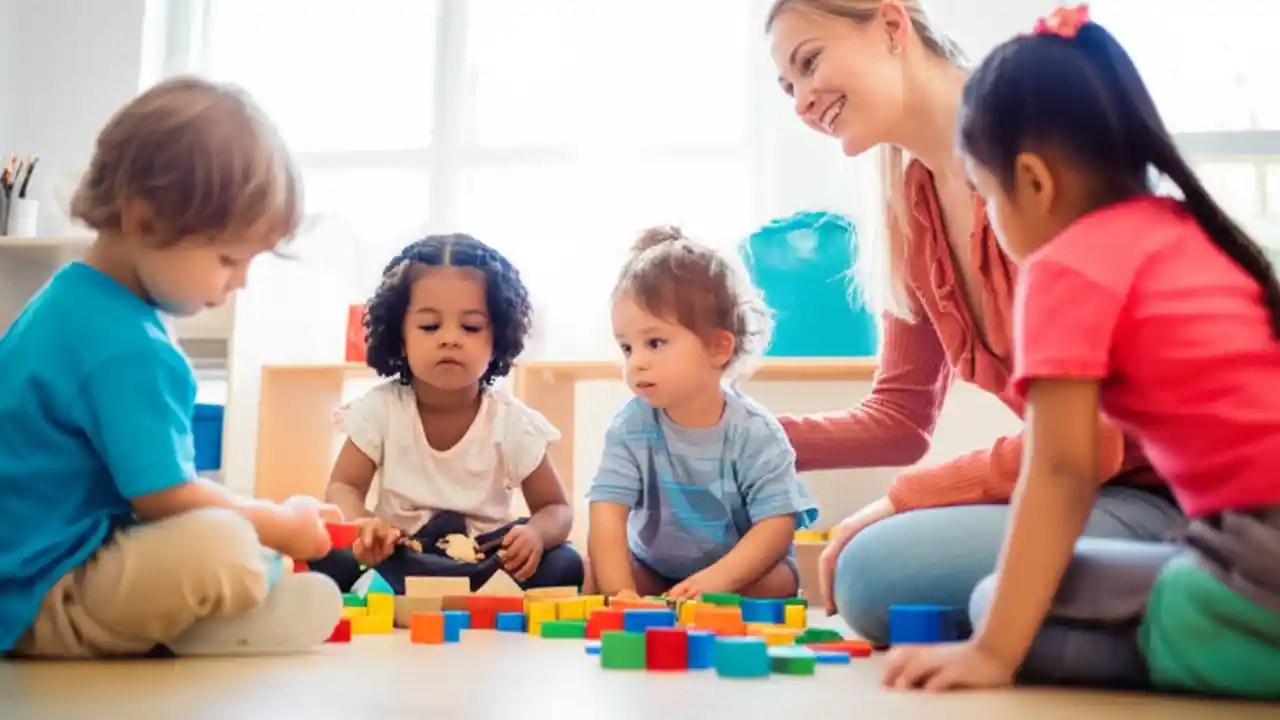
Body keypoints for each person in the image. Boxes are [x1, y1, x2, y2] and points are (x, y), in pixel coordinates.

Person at [884, 7, 1280, 699]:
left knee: (993, 606)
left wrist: (992, 653)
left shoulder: (1066, 266)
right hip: (1236, 539)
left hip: (1258, 558)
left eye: (985, 191)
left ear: (1034, 182)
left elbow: (1063, 468)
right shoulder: (1186, 231)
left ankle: (1225, 640)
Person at [765, 0, 1182, 643]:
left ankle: (1214, 591)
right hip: (1098, 491)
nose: (800, 102)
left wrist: (906, 497)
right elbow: (898, 418)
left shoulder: (1036, 153)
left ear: (891, 25)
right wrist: (728, 435)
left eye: (810, 61)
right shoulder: (913, 202)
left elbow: (1092, 437)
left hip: (1183, 491)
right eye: (787, 86)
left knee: (875, 573)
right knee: (879, 571)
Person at [0, 77, 341, 658]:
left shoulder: (67, 301)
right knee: (222, 546)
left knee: (223, 531)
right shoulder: (129, 347)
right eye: (228, 258)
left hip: (33, 572)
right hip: (40, 597)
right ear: (144, 220)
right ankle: (213, 622)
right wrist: (279, 522)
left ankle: (220, 607)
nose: (239, 282)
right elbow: (166, 499)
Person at [309, 234, 583, 594]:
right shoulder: (381, 409)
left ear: (496, 338)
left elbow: (555, 508)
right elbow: (343, 486)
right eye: (429, 326)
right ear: (400, 335)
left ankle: (436, 595)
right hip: (398, 556)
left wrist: (534, 534)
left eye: (470, 327)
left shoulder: (513, 421)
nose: (449, 339)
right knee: (322, 552)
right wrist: (363, 525)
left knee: (565, 562)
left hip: (485, 563)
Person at [583, 227, 819, 600]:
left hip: (737, 571)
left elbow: (776, 525)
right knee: (598, 568)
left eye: (655, 343)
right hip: (655, 568)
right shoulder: (631, 426)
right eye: (627, 348)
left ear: (718, 348)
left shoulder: (755, 432)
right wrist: (621, 593)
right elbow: (607, 513)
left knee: (777, 583)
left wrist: (718, 581)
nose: (637, 363)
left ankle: (707, 599)